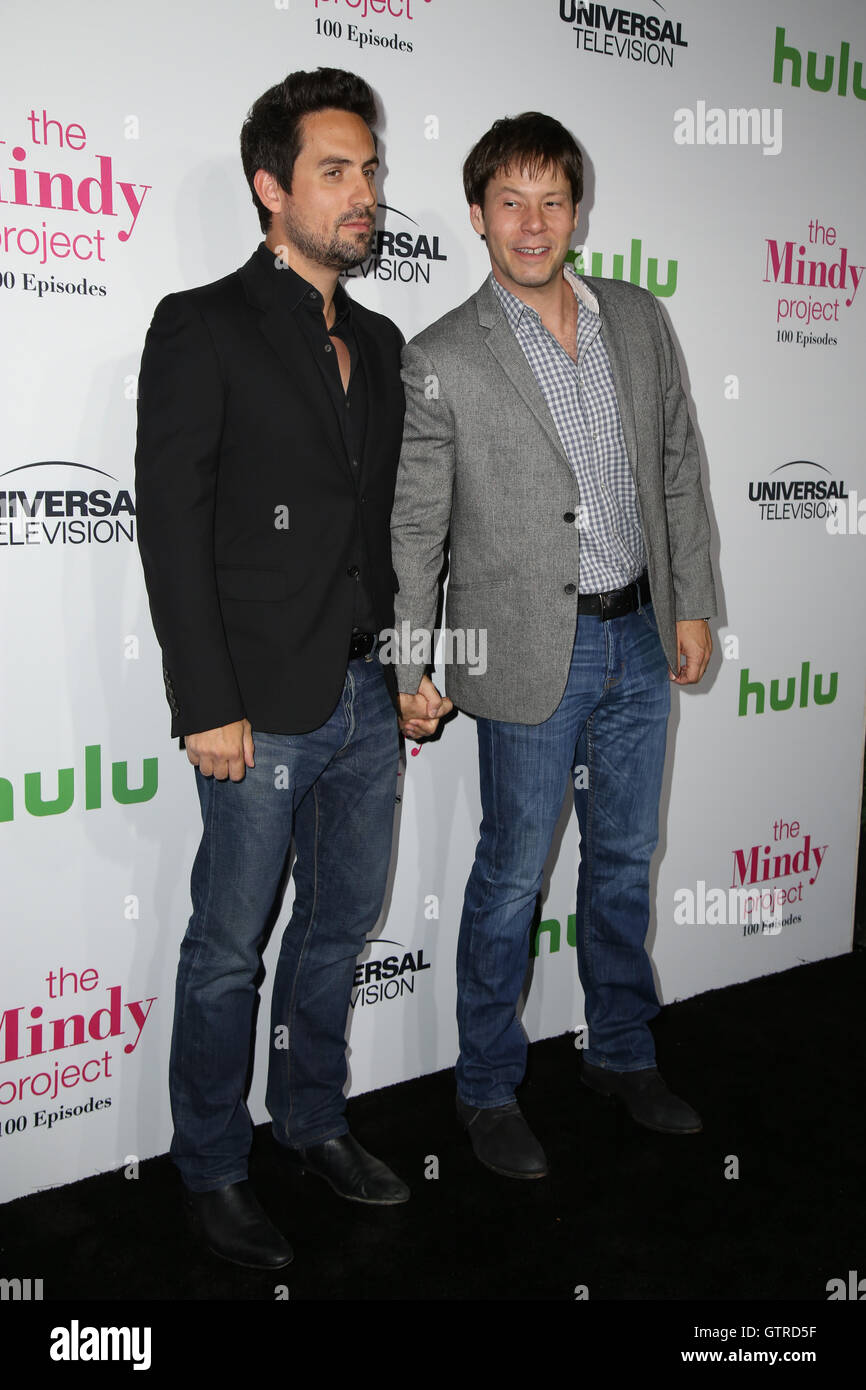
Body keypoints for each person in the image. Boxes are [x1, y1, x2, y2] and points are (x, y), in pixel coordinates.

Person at [392, 112, 717, 1179]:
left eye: (552, 200)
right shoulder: (440, 355)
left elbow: (674, 461)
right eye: (510, 202)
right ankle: (486, 1087)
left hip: (635, 635)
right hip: (534, 655)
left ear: (577, 210)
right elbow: (417, 528)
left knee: (623, 860)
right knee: (509, 878)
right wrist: (410, 660)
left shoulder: (634, 315)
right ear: (479, 214)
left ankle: (619, 1050)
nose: (532, 224)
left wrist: (689, 601)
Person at [135, 67, 415, 1270]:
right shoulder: (199, 322)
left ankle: (309, 1119)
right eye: (335, 171)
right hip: (257, 710)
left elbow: (382, 531)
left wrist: (404, 665)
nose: (364, 195)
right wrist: (207, 703)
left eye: (370, 171)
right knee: (227, 949)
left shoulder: (381, 336)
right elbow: (171, 522)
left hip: (364, 695)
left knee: (338, 930)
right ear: (270, 187)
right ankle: (209, 1163)